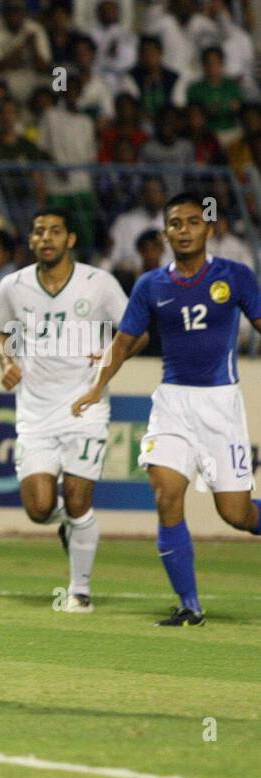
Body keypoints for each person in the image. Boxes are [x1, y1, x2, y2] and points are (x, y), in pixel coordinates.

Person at [73, 192, 261, 625]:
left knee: (237, 514)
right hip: (172, 404)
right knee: (165, 497)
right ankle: (189, 605)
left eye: (193, 221)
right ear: (165, 233)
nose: (184, 230)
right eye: (176, 223)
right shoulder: (151, 285)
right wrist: (97, 386)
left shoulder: (236, 276)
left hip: (220, 405)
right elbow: (124, 342)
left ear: (208, 229)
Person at [0, 208, 133, 613]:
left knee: (76, 499)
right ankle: (72, 529)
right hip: (34, 412)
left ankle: (79, 591)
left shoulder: (98, 283)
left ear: (71, 239)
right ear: (31, 240)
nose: (46, 238)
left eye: (55, 231)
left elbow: (133, 331)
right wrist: (7, 361)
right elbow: (1, 332)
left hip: (83, 406)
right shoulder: (12, 286)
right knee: (38, 509)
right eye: (39, 232)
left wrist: (109, 358)